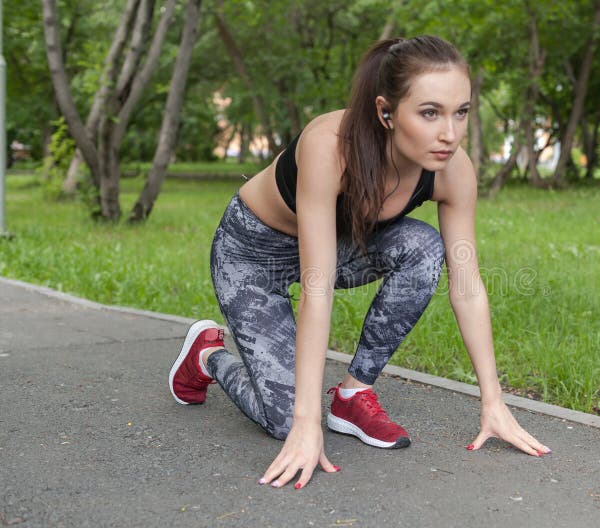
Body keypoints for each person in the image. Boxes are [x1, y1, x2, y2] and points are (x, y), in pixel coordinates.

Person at [169, 35, 550, 490]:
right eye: (430, 113)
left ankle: (352, 393)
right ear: (386, 111)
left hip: (343, 245)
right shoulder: (330, 146)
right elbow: (318, 286)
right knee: (283, 420)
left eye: (461, 112)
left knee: (425, 248)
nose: (450, 133)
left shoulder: (453, 170)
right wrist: (306, 424)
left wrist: (493, 400)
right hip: (252, 256)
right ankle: (207, 354)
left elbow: (466, 283)